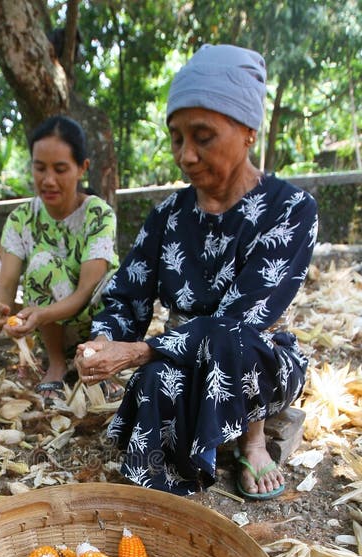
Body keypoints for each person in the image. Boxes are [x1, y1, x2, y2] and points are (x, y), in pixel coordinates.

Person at [75, 43, 318, 499]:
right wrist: (104, 340)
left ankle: (252, 439)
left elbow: (239, 323)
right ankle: (162, 496)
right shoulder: (168, 215)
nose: (186, 155)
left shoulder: (291, 210)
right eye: (176, 138)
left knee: (228, 346)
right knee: (154, 380)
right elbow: (128, 294)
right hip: (177, 354)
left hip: (257, 361)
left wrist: (136, 351)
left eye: (202, 137)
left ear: (248, 130)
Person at [0, 115, 118, 402]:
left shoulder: (98, 214)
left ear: (82, 168)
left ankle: (101, 363)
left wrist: (41, 313)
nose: (48, 180)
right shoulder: (21, 219)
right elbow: (6, 284)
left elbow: (86, 292)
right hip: (53, 329)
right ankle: (57, 363)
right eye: (39, 168)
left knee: (114, 282)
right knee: (42, 263)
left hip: (97, 325)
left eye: (60, 169)